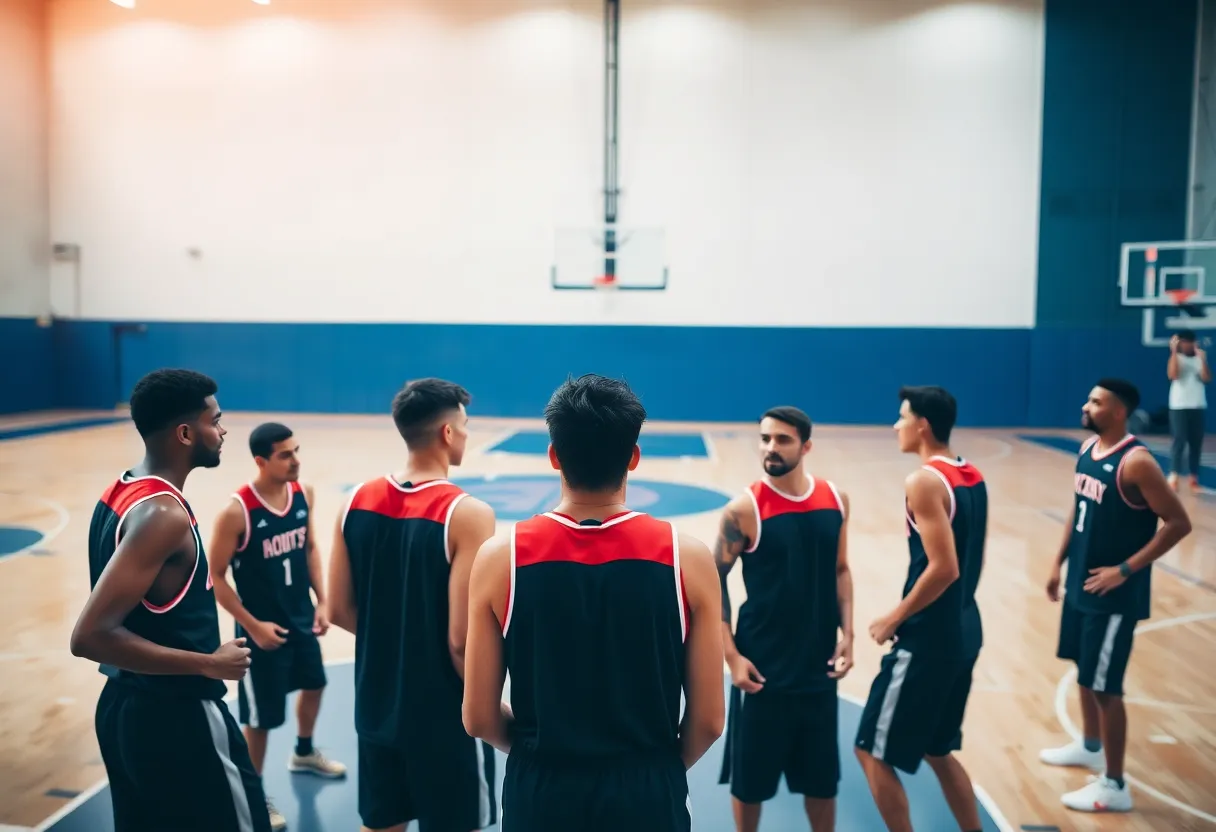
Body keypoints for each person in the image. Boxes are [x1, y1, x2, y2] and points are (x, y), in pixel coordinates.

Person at [461, 374, 725, 832]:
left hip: (541, 789)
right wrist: (653, 772)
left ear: (553, 456)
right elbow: (708, 721)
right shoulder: (689, 558)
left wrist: (536, 753)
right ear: (634, 457)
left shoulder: (500, 558)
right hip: (647, 790)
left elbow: (479, 717)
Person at [69, 368, 272, 832]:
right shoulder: (164, 515)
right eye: (215, 420)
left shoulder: (119, 492)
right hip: (179, 716)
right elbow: (90, 636)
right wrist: (208, 664)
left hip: (124, 708)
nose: (222, 432)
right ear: (185, 433)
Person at [326, 378, 498, 832]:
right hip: (443, 718)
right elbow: (461, 642)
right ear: (446, 432)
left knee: (383, 823)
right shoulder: (467, 514)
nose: (466, 433)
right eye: (464, 424)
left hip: (377, 703)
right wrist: (494, 707)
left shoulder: (353, 501)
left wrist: (394, 639)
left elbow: (338, 609)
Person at [1039, 379, 1192, 813]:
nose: (1086, 406)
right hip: (1080, 584)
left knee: (1106, 687)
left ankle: (1114, 784)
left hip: (1113, 596)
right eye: (1088, 398)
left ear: (1119, 411)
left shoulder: (1137, 462)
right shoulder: (1088, 450)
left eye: (1096, 402)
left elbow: (1179, 523)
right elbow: (1078, 507)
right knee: (1083, 671)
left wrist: (1125, 570)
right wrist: (1058, 562)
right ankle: (1090, 745)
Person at [854, 386, 988, 832]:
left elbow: (944, 567)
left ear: (922, 425)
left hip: (929, 639)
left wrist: (896, 616)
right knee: (937, 747)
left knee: (871, 750)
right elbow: (967, 565)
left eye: (902, 416)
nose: (896, 425)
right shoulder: (971, 474)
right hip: (966, 627)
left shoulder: (925, 480)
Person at [714, 406, 853, 831]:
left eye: (782, 439)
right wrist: (732, 656)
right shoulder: (744, 510)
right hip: (763, 674)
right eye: (765, 438)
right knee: (749, 784)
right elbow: (712, 581)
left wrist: (849, 634)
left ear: (806, 446)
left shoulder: (835, 499)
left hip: (817, 671)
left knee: (822, 783)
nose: (770, 447)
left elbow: (841, 570)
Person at [209, 422, 347, 831]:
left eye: (296, 451)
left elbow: (310, 548)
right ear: (260, 460)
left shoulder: (304, 494)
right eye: (285, 455)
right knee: (262, 719)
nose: (296, 460)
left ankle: (303, 752)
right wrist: (252, 627)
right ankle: (255, 798)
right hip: (260, 634)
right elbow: (215, 576)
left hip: (300, 618)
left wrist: (322, 601)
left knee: (316, 684)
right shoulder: (237, 511)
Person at [1166, 330, 1210, 492]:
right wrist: (1173, 352)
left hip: (1197, 405)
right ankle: (1174, 475)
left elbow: (1206, 378)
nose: (1186, 345)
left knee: (1196, 442)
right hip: (1179, 405)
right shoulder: (1176, 358)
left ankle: (1193, 478)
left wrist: (1202, 359)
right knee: (1179, 440)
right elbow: (1173, 374)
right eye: (1182, 342)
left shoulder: (1199, 358)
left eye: (1189, 342)